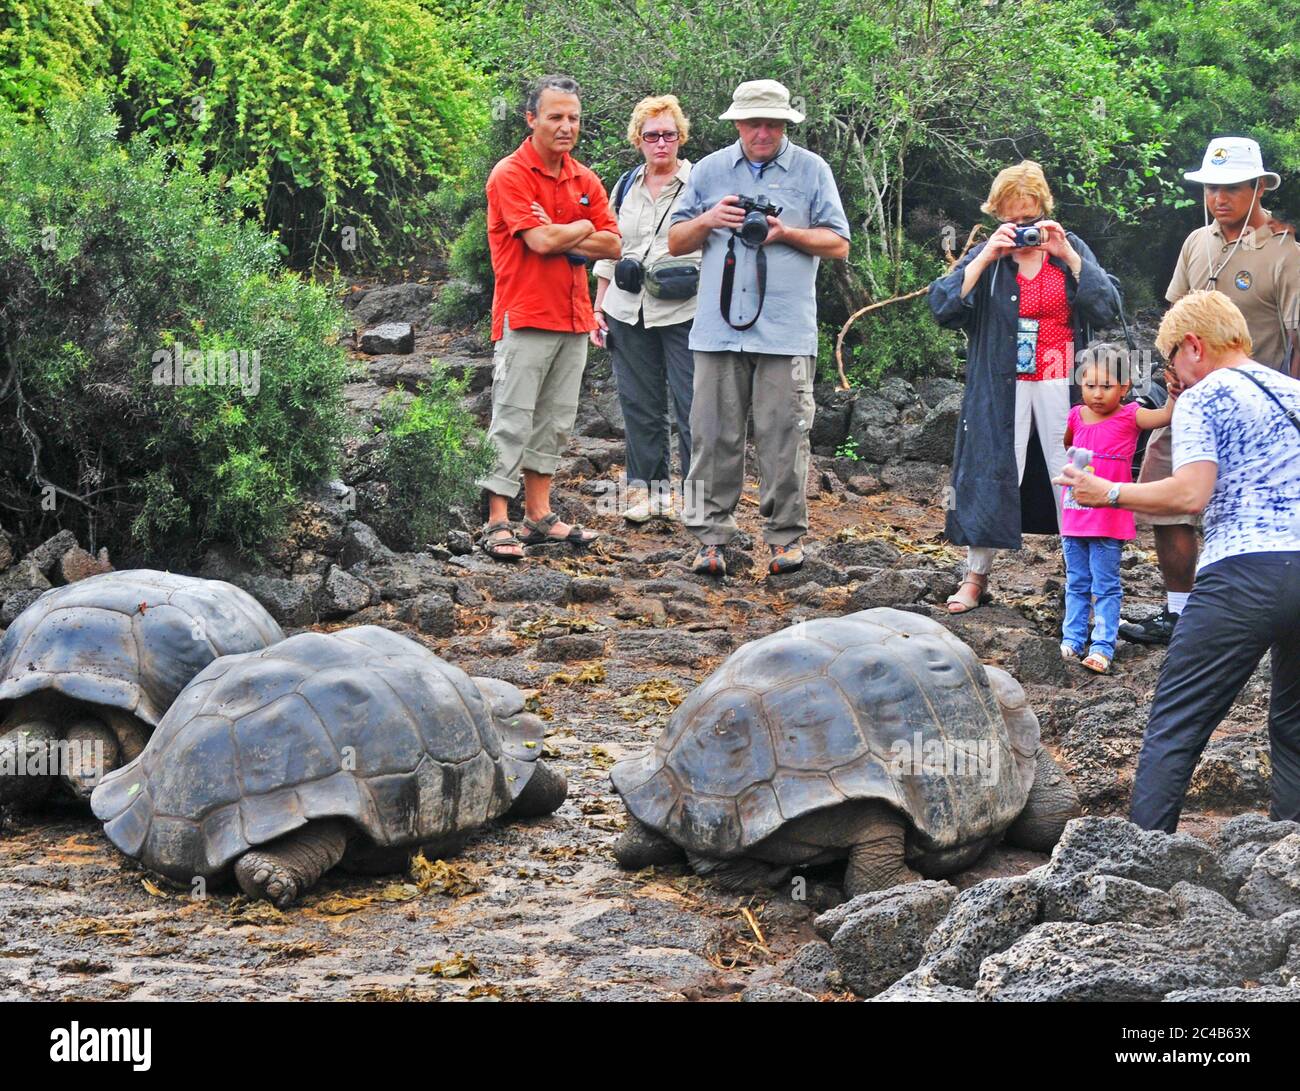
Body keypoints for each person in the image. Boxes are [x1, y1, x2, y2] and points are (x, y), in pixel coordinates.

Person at [1055, 291, 1300, 832]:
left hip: (1244, 572)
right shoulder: (1294, 392)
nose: (1172, 379)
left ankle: (1142, 863)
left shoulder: (1204, 396)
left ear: (1193, 346)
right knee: (1293, 725)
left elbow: (1189, 496)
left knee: (1176, 724)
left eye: (1169, 362)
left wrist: (1108, 493)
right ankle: (1290, 862)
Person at [1121, 136, 1300, 645]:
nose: (1220, 197)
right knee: (1166, 496)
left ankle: (1250, 615)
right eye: (1212, 188)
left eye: (1232, 187)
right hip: (1190, 398)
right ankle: (1180, 612)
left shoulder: (1285, 252)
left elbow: (1298, 335)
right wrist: (1170, 375)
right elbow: (1175, 314)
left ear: (1258, 187)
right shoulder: (1196, 243)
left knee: (1248, 506)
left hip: (1255, 404)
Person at [667, 79, 850, 577]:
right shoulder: (707, 170)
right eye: (753, 122)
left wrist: (785, 232)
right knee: (710, 436)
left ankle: (786, 538)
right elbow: (675, 241)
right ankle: (709, 539)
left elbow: (838, 243)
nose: (763, 132)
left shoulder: (813, 171)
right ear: (737, 124)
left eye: (772, 123)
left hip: (786, 330)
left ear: (786, 124)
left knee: (786, 436)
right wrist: (709, 218)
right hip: (716, 329)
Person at [929, 161, 1120, 612]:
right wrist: (982, 257)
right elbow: (943, 308)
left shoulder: (1068, 246)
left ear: (1044, 211)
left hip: (1059, 374)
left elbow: (1107, 308)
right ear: (998, 215)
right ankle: (975, 577)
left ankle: (1083, 580)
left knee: (1070, 470)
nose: (1023, 229)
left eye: (1030, 219)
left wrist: (1069, 257)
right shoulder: (988, 258)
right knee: (995, 469)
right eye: (1013, 220)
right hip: (1001, 382)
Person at [476, 74, 621, 561]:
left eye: (573, 118)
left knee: (556, 422)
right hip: (526, 314)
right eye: (555, 116)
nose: (565, 126)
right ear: (531, 118)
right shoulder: (510, 174)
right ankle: (497, 519)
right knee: (512, 418)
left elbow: (615, 245)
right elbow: (537, 243)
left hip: (574, 316)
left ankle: (538, 515)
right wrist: (583, 227)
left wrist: (562, 229)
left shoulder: (585, 178)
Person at [591, 95, 701, 524]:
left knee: (693, 406)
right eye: (652, 135)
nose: (661, 143)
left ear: (681, 137)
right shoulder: (623, 185)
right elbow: (608, 247)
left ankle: (697, 499)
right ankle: (648, 494)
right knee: (640, 405)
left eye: (669, 135)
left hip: (684, 308)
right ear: (638, 139)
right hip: (626, 307)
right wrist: (598, 308)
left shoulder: (700, 184)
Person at [1058, 345, 1176, 674]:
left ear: (1124, 388)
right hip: (1074, 516)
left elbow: (1165, 416)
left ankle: (1102, 645)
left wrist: (1174, 392)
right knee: (1076, 581)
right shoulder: (1075, 415)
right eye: (1089, 385)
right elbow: (1069, 443)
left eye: (1106, 386)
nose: (1097, 394)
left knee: (1106, 585)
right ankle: (1072, 639)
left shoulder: (1130, 416)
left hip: (1108, 519)